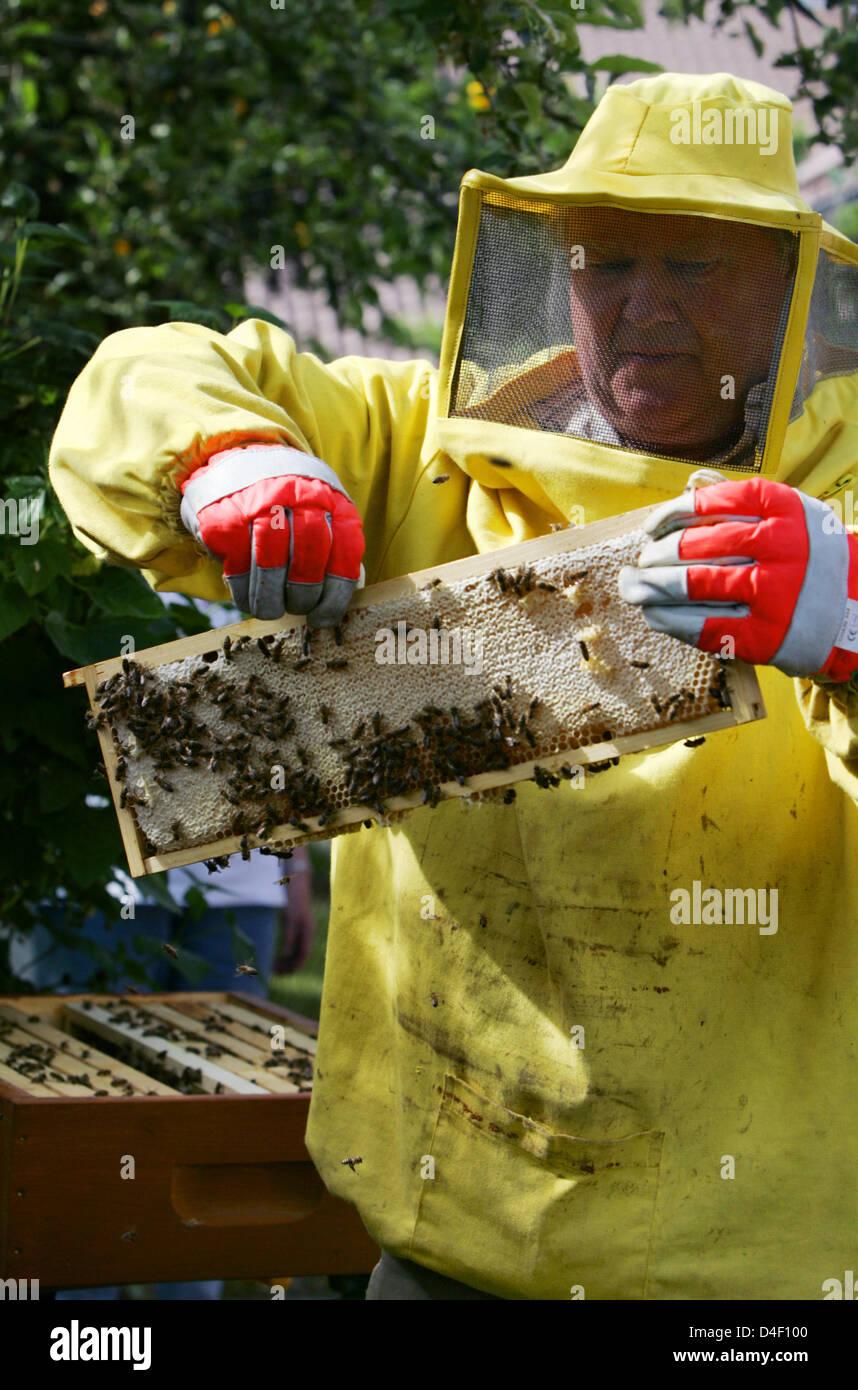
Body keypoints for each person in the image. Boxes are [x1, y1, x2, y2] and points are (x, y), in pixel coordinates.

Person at [49, 72, 858, 1300]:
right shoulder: (419, 444)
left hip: (752, 1271)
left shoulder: (842, 498)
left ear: (791, 280)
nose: (640, 307)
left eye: (693, 268)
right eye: (605, 262)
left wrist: (849, 618)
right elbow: (143, 371)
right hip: (443, 1227)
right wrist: (227, 455)